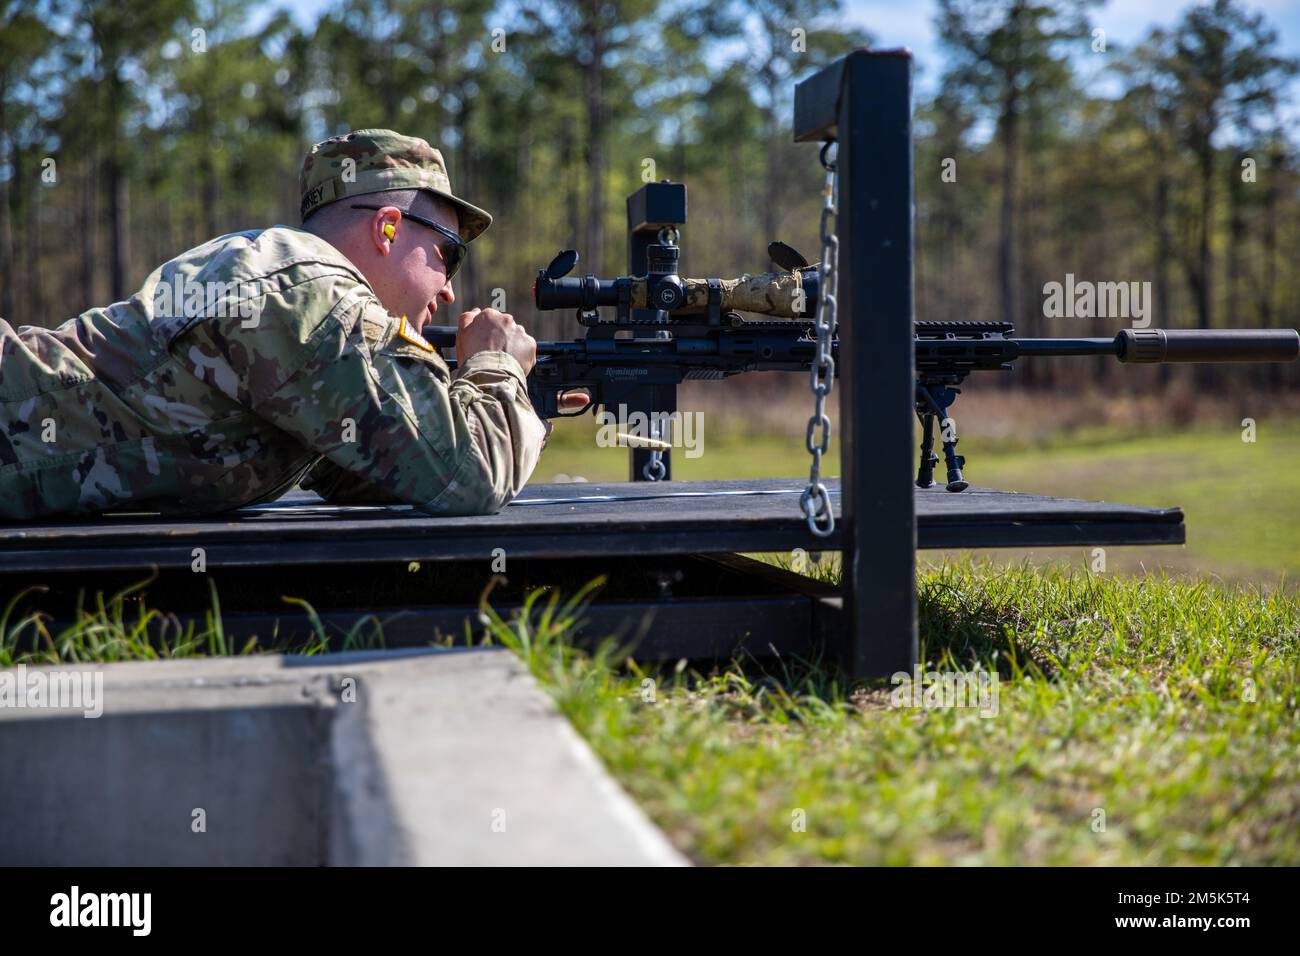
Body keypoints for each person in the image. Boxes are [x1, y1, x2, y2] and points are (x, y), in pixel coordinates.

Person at [0, 128, 553, 520]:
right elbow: (469, 475)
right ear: (387, 229)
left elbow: (371, 465)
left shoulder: (286, 279)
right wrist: (497, 366)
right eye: (446, 255)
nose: (450, 287)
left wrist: (515, 405)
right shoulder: (304, 287)